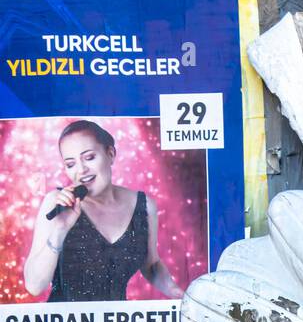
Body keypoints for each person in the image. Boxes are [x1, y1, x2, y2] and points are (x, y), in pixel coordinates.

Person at [23, 120, 184, 302]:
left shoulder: (145, 206)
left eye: (89, 157)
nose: (81, 170)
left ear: (110, 153)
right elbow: (34, 286)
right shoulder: (56, 203)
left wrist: (176, 292)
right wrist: (60, 229)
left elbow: (152, 265)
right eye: (70, 164)